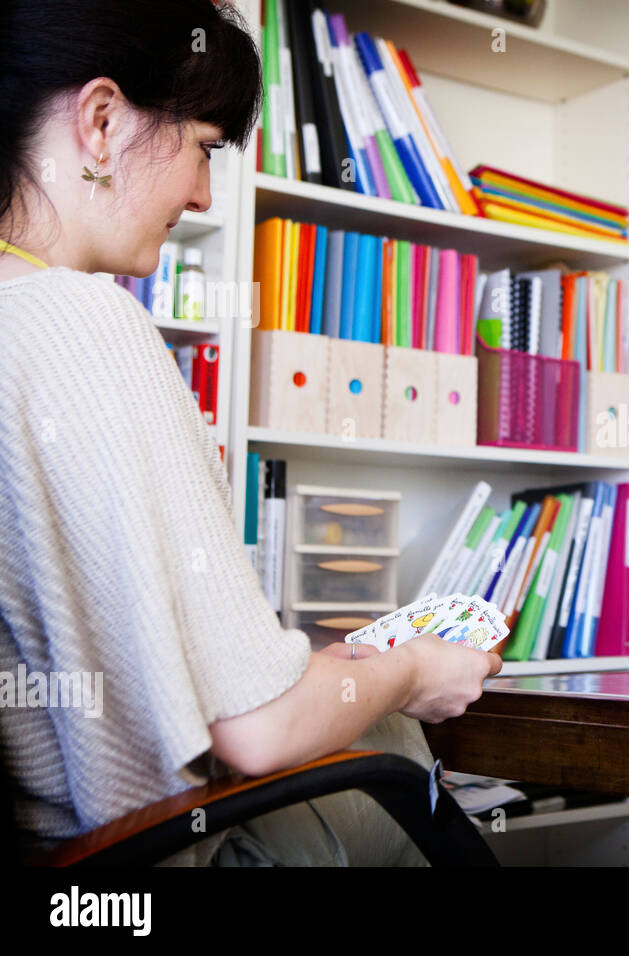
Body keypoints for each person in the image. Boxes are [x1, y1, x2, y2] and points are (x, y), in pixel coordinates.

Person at [0, 0, 500, 866]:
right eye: (202, 145)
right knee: (401, 751)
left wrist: (316, 665)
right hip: (148, 859)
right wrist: (413, 670)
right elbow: (258, 733)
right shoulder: (83, 324)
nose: (200, 192)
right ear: (102, 119)